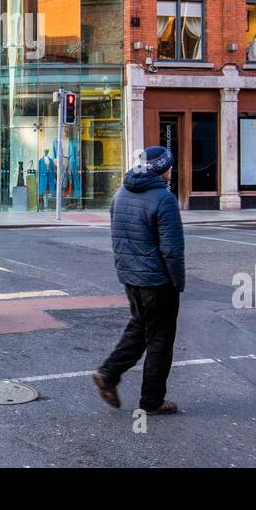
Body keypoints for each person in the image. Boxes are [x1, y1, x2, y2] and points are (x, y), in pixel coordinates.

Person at [92, 145, 185, 416]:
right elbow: (172, 249)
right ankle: (152, 400)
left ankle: (108, 373)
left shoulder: (120, 193)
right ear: (163, 168)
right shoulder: (163, 198)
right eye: (170, 164)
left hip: (130, 276)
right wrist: (177, 282)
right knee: (160, 338)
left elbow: (118, 237)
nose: (171, 169)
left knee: (140, 328)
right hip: (157, 280)